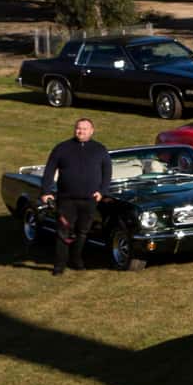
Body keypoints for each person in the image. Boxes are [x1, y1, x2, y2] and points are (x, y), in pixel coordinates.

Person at [39, 117, 112, 276]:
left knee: (82, 232)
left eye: (85, 129)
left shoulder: (100, 149)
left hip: (89, 200)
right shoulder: (62, 148)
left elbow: (107, 172)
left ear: (92, 131)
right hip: (66, 199)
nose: (81, 131)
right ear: (75, 129)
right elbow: (49, 170)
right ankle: (59, 266)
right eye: (78, 128)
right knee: (63, 232)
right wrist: (45, 191)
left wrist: (102, 191)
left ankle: (76, 260)